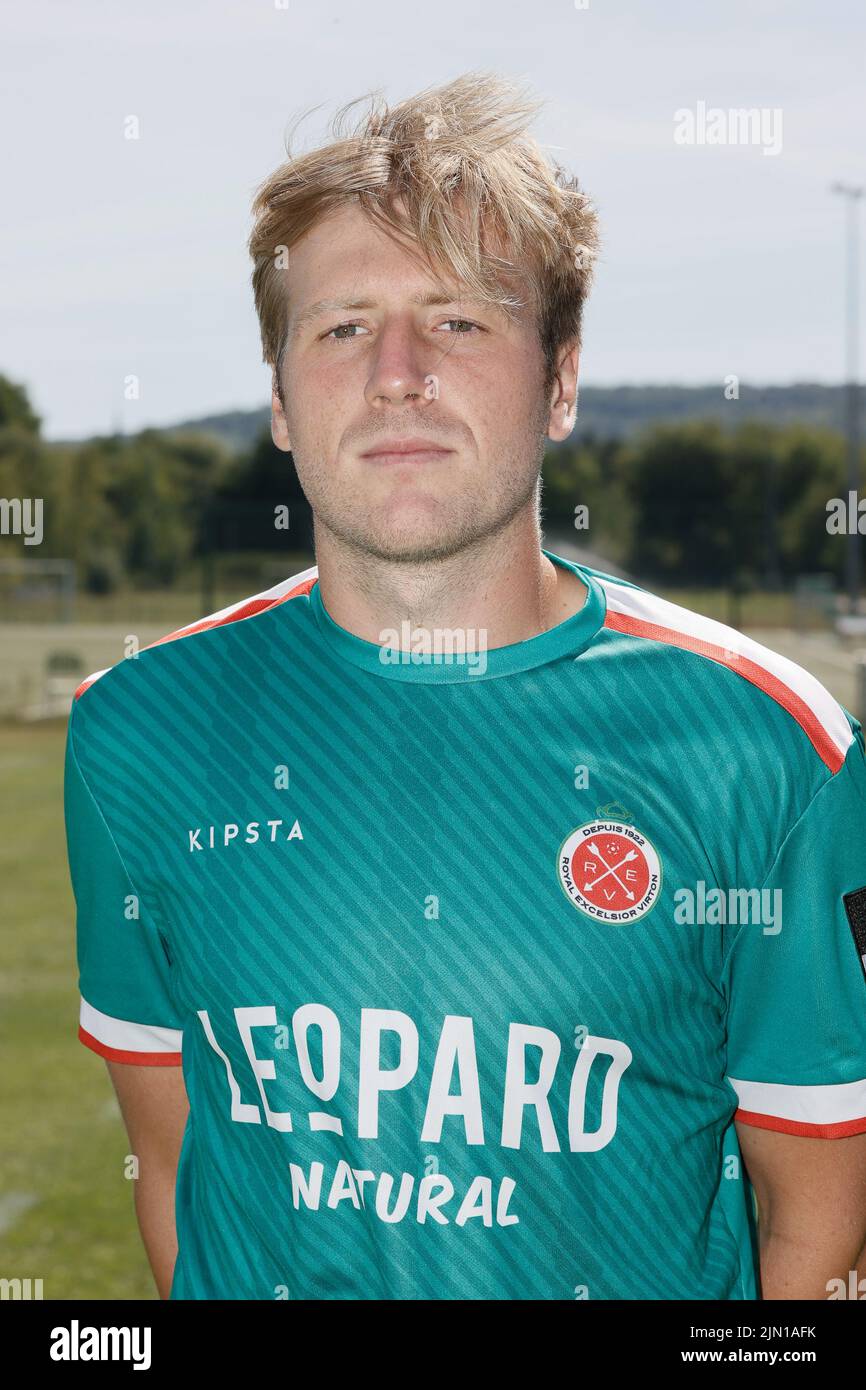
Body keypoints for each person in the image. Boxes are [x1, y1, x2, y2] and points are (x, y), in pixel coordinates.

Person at [65, 71, 866, 1301]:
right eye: (340, 327)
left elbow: (814, 1229)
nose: (397, 372)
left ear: (557, 382)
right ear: (278, 398)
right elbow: (170, 1161)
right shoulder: (138, 728)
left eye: (458, 320)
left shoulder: (768, 748)